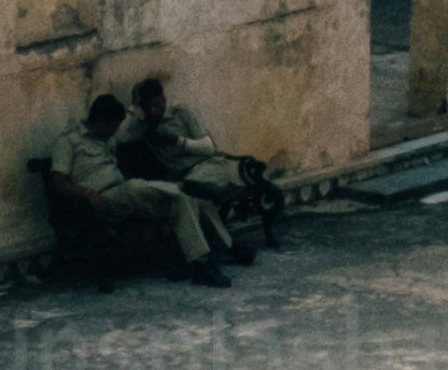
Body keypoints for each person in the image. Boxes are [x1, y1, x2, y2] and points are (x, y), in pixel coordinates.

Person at [43, 89, 231, 286]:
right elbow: (59, 181)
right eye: (113, 126)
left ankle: (201, 265)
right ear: (101, 122)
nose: (116, 131)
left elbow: (129, 126)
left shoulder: (106, 136)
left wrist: (133, 104)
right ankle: (182, 186)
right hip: (103, 200)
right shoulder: (68, 141)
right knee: (135, 186)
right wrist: (88, 195)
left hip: (129, 198)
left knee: (182, 202)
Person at [122, 71, 279, 259]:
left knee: (191, 190)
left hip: (209, 167)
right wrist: (133, 107)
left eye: (156, 105)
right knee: (197, 198)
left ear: (164, 100)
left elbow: (208, 148)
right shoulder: (142, 127)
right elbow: (119, 137)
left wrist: (176, 140)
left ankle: (197, 191)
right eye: (147, 107)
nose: (153, 111)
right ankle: (231, 246)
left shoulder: (183, 113)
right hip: (184, 179)